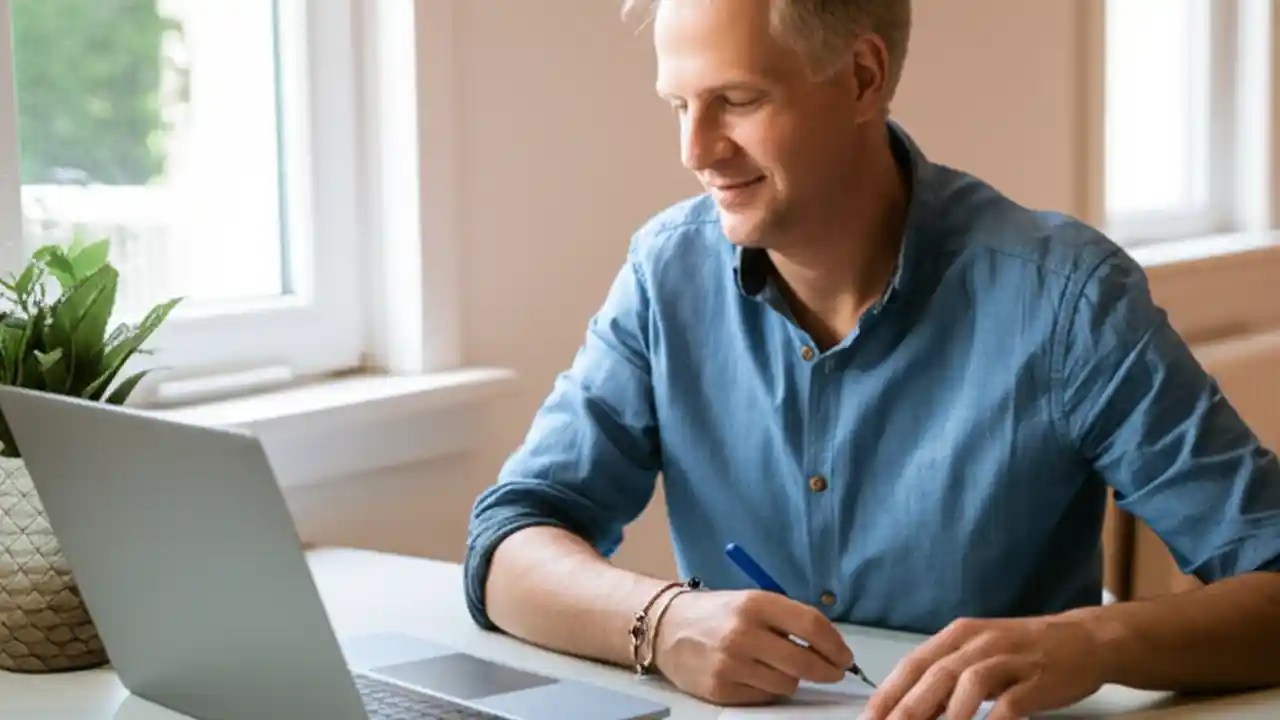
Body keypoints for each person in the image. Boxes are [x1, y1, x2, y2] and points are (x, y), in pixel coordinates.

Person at [463, 1, 1280, 718]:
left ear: (861, 77)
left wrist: (1089, 641)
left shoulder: (1067, 300)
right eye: (679, 104)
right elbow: (509, 542)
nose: (696, 149)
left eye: (737, 101)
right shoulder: (664, 275)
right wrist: (662, 621)